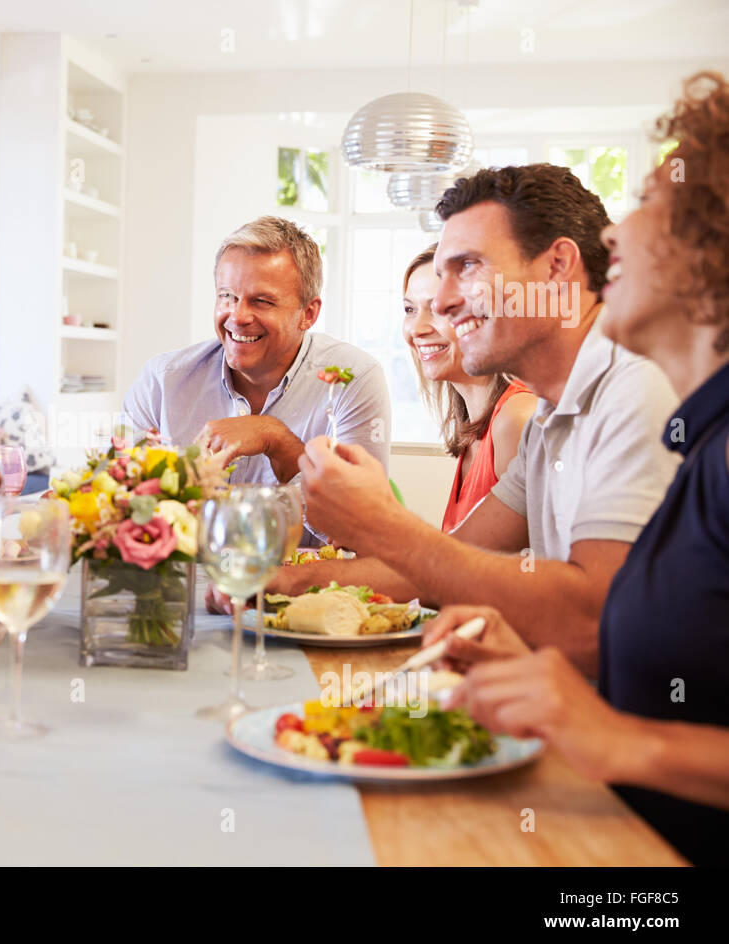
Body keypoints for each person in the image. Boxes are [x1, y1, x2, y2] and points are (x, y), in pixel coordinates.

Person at [422, 71, 729, 865]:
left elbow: (597, 631)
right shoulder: (700, 440)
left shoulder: (677, 422)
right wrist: (532, 666)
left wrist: (620, 739)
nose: (615, 234)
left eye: (653, 198)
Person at [271, 163, 682, 674]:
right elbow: (447, 562)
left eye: (467, 266)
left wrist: (378, 521)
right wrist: (287, 584)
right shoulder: (551, 415)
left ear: (557, 268)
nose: (442, 302)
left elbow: (591, 618)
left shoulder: (635, 389)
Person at [122, 216, 391, 499]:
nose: (237, 317)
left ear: (308, 314)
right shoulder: (161, 380)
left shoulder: (353, 379)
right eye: (227, 296)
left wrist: (276, 439)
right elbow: (115, 502)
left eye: (262, 301)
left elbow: (362, 520)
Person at [401, 243, 536, 532]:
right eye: (409, 309)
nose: (417, 328)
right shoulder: (475, 427)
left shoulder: (516, 419)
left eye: (439, 309)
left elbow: (516, 569)